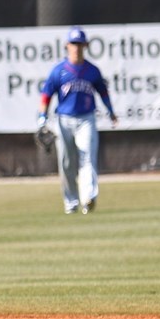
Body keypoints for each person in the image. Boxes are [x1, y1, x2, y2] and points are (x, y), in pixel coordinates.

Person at [36, 26, 118, 215]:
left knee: (87, 157)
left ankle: (88, 198)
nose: (77, 47)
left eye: (80, 44)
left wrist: (111, 111)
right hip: (63, 120)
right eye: (74, 43)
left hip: (86, 119)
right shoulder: (59, 71)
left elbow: (103, 92)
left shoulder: (92, 71)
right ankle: (71, 202)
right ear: (67, 45)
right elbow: (46, 96)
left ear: (86, 45)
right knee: (66, 162)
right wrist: (42, 118)